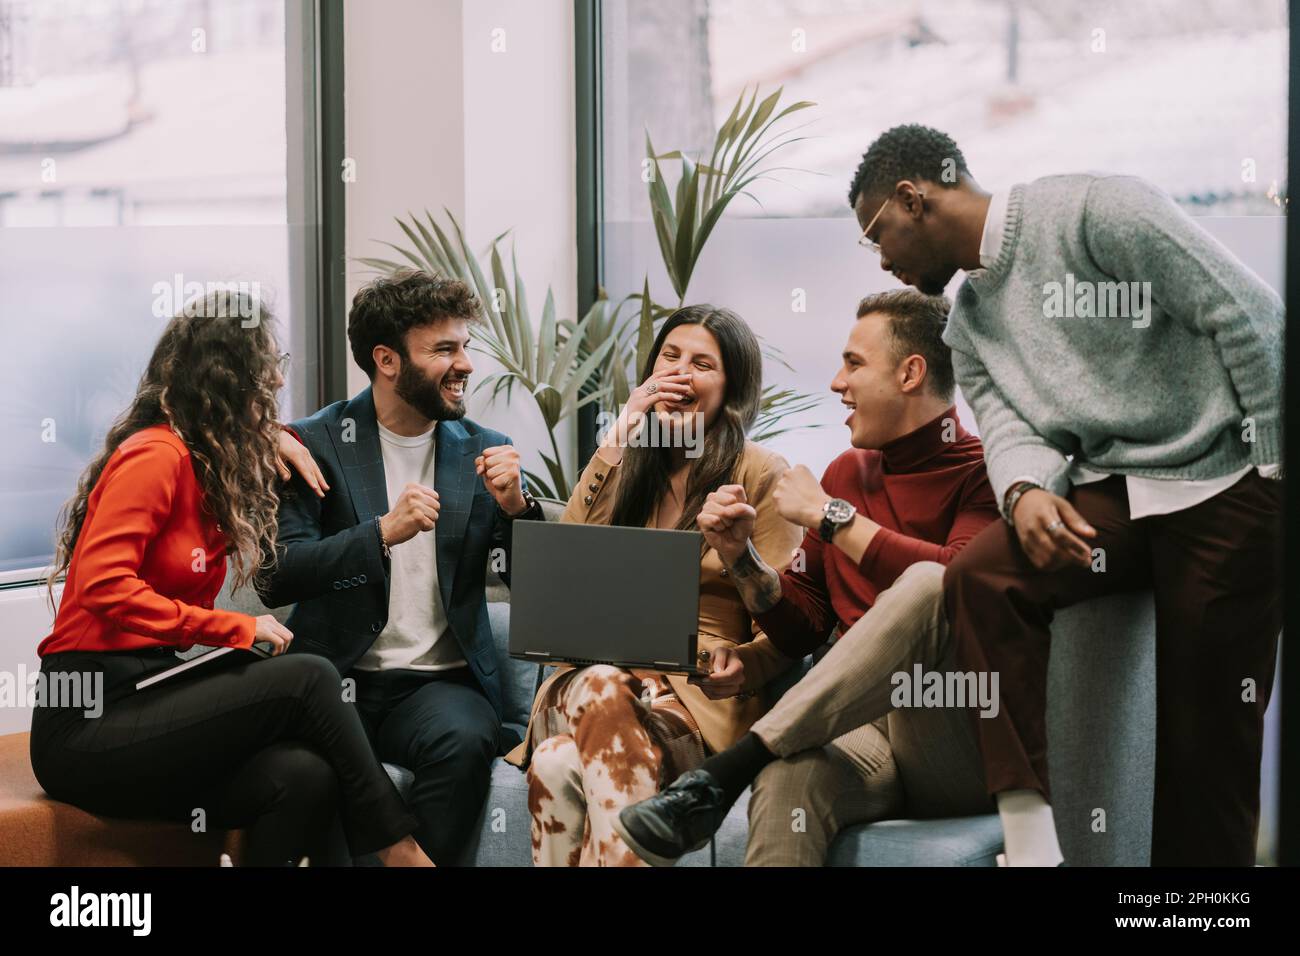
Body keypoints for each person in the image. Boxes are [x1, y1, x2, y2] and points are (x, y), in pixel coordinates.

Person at [845, 123, 1283, 866]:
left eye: (876, 235)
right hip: (1118, 498)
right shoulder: (971, 330)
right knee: (983, 575)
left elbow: (1251, 318)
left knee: (1205, 750)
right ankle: (1031, 837)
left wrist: (1273, 471)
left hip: (1227, 485)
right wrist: (1021, 494)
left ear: (912, 197)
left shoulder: (1097, 212)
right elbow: (1011, 432)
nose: (882, 260)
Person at [32, 290, 430, 867]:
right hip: (88, 721)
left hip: (149, 694)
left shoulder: (204, 463)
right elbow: (102, 585)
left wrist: (277, 437)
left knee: (303, 775)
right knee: (310, 677)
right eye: (264, 372)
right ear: (225, 380)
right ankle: (402, 850)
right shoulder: (155, 457)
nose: (274, 382)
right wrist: (230, 627)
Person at [615, 290, 1000, 866]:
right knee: (786, 778)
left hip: (955, 734)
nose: (836, 382)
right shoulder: (846, 471)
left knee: (926, 585)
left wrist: (830, 517)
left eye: (853, 363)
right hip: (864, 734)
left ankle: (730, 767)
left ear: (910, 373)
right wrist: (741, 557)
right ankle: (747, 768)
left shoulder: (986, 473)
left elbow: (957, 583)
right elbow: (804, 625)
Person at [257, 269, 543, 866]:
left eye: (465, 345)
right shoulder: (313, 442)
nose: (465, 363)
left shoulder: (484, 446)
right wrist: (379, 533)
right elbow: (277, 574)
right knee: (312, 768)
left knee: (465, 742)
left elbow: (540, 593)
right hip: (334, 681)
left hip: (441, 686)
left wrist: (518, 508)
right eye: (444, 349)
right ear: (387, 360)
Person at [503, 305, 802, 866]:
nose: (681, 373)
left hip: (687, 704)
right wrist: (617, 438)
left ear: (731, 385)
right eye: (670, 356)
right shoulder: (628, 462)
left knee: (557, 765)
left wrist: (745, 663)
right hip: (582, 687)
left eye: (702, 364)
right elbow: (565, 565)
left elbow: (783, 614)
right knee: (600, 683)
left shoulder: (761, 473)